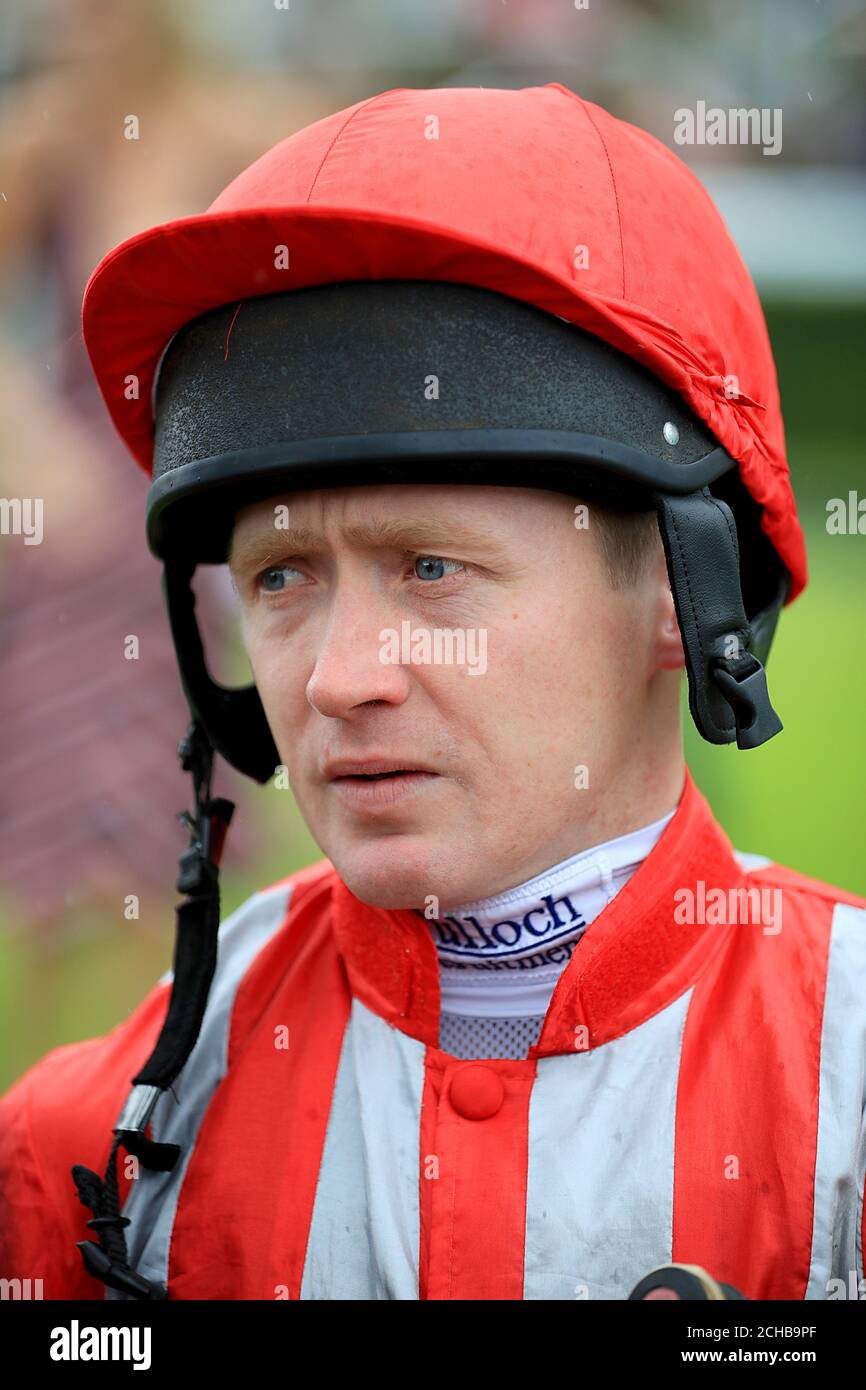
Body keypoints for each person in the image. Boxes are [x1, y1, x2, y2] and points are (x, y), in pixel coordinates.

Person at [1, 82, 863, 1303]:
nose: (339, 680)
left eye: (432, 568)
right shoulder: (79, 1147)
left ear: (687, 597)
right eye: (283, 576)